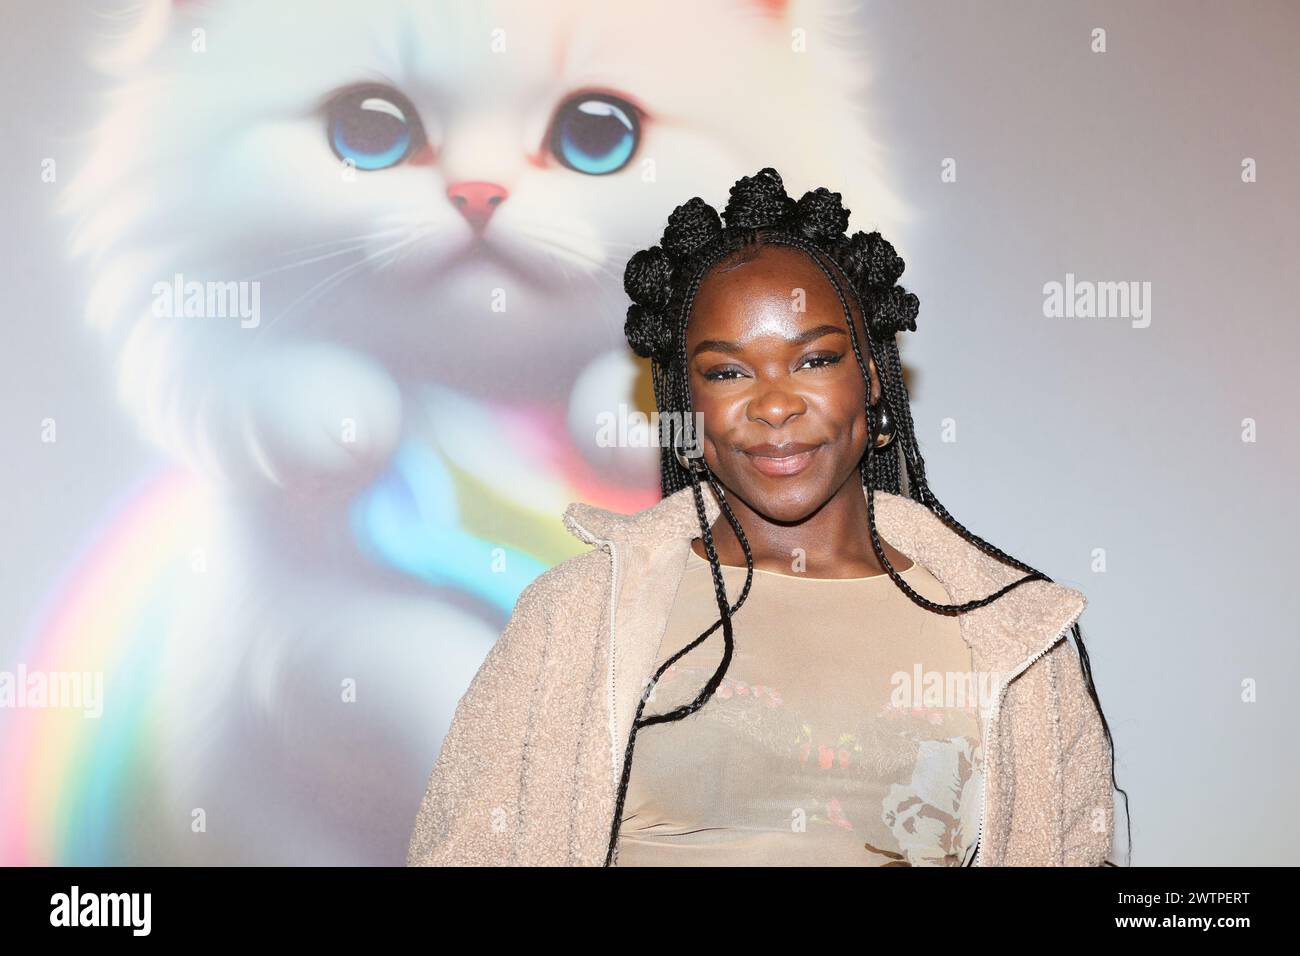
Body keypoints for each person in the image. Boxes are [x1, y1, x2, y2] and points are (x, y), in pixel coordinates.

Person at [407, 167, 1129, 867]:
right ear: (687, 407)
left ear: (871, 380)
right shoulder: (575, 618)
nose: (775, 404)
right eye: (727, 372)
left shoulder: (1018, 637)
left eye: (814, 360)